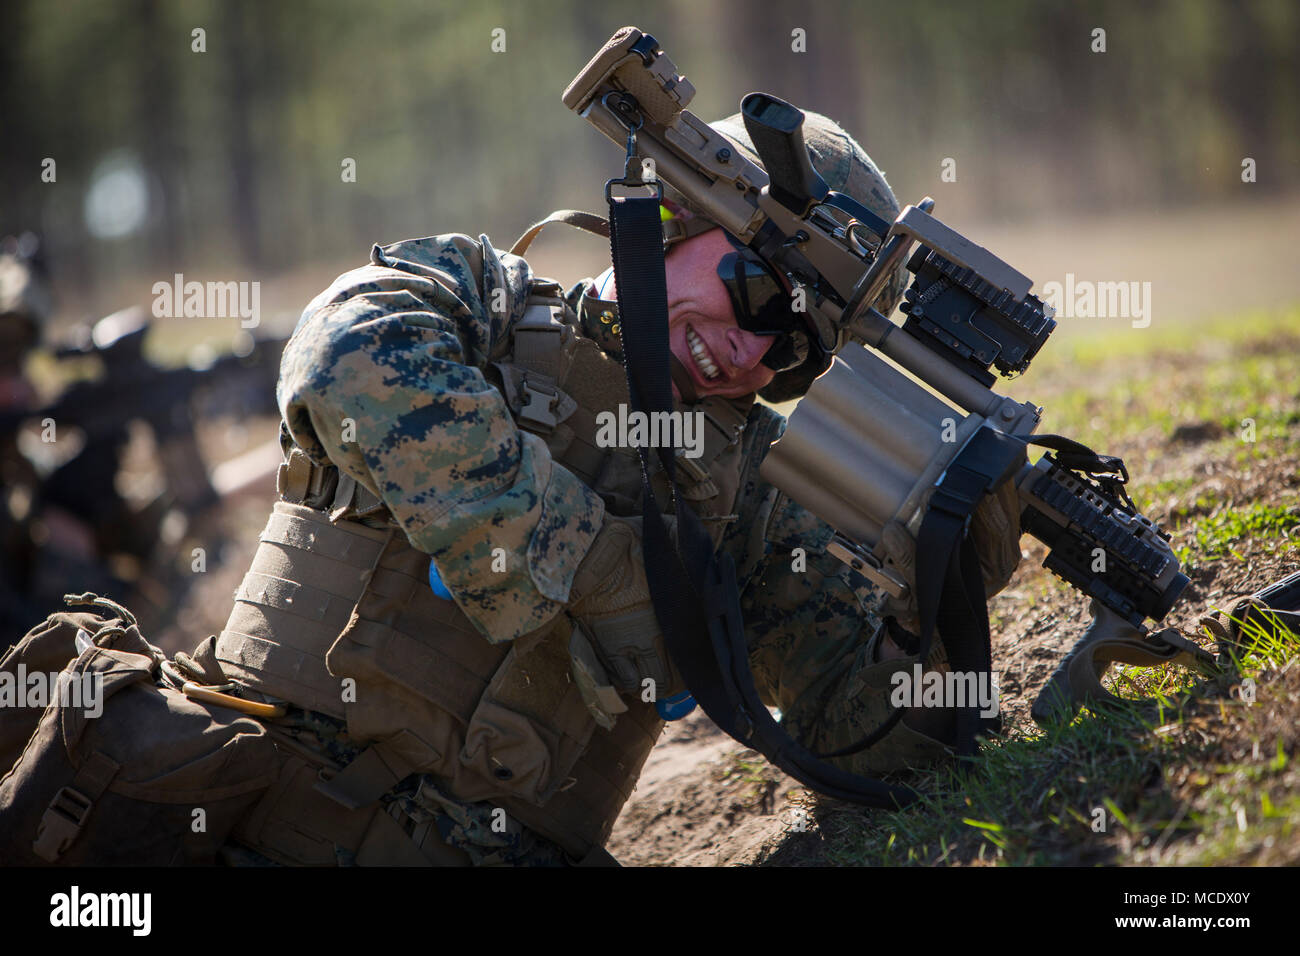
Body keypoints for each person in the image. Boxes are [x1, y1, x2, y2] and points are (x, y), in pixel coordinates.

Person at [167, 107, 1023, 867]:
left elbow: (860, 746)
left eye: (796, 351)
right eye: (762, 298)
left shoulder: (753, 492)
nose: (756, 353)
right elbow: (349, 362)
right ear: (675, 220)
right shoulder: (480, 302)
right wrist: (595, 567)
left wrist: (944, 599)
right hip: (241, 814)